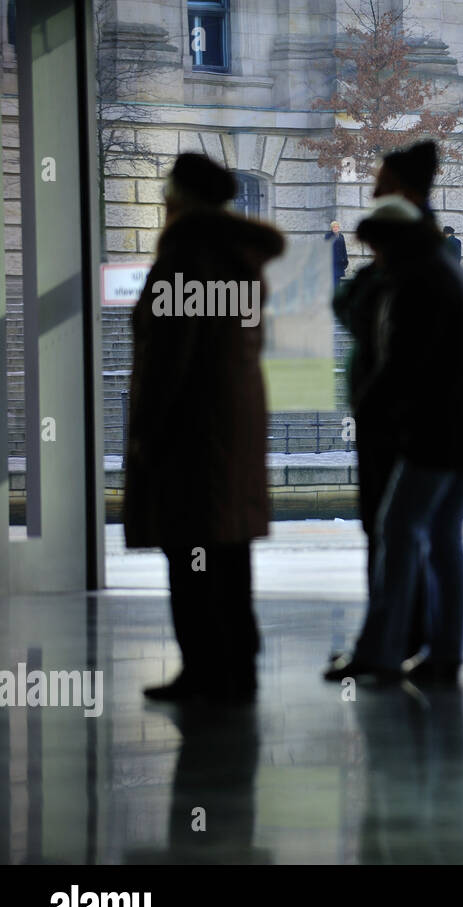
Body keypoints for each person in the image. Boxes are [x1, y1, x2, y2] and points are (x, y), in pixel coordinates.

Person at [125, 153, 285, 702]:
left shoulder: (186, 257)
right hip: (234, 421)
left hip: (191, 428)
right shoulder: (241, 257)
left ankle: (204, 669)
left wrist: (146, 430)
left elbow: (168, 356)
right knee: (228, 547)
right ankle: (236, 665)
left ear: (181, 197)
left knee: (190, 547)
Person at [325, 193, 463, 686]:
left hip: (438, 430)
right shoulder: (444, 275)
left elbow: (403, 362)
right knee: (442, 535)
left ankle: (382, 652)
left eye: (377, 248)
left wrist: (368, 407)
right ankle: (443, 653)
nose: (375, 258)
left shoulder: (419, 283)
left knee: (398, 530)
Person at [324, 220, 348, 286]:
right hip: (332, 262)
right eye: (334, 227)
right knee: (332, 280)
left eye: (337, 227)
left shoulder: (341, 236)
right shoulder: (328, 236)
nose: (335, 228)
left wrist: (345, 260)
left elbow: (344, 248)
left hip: (340, 262)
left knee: (338, 280)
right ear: (331, 228)